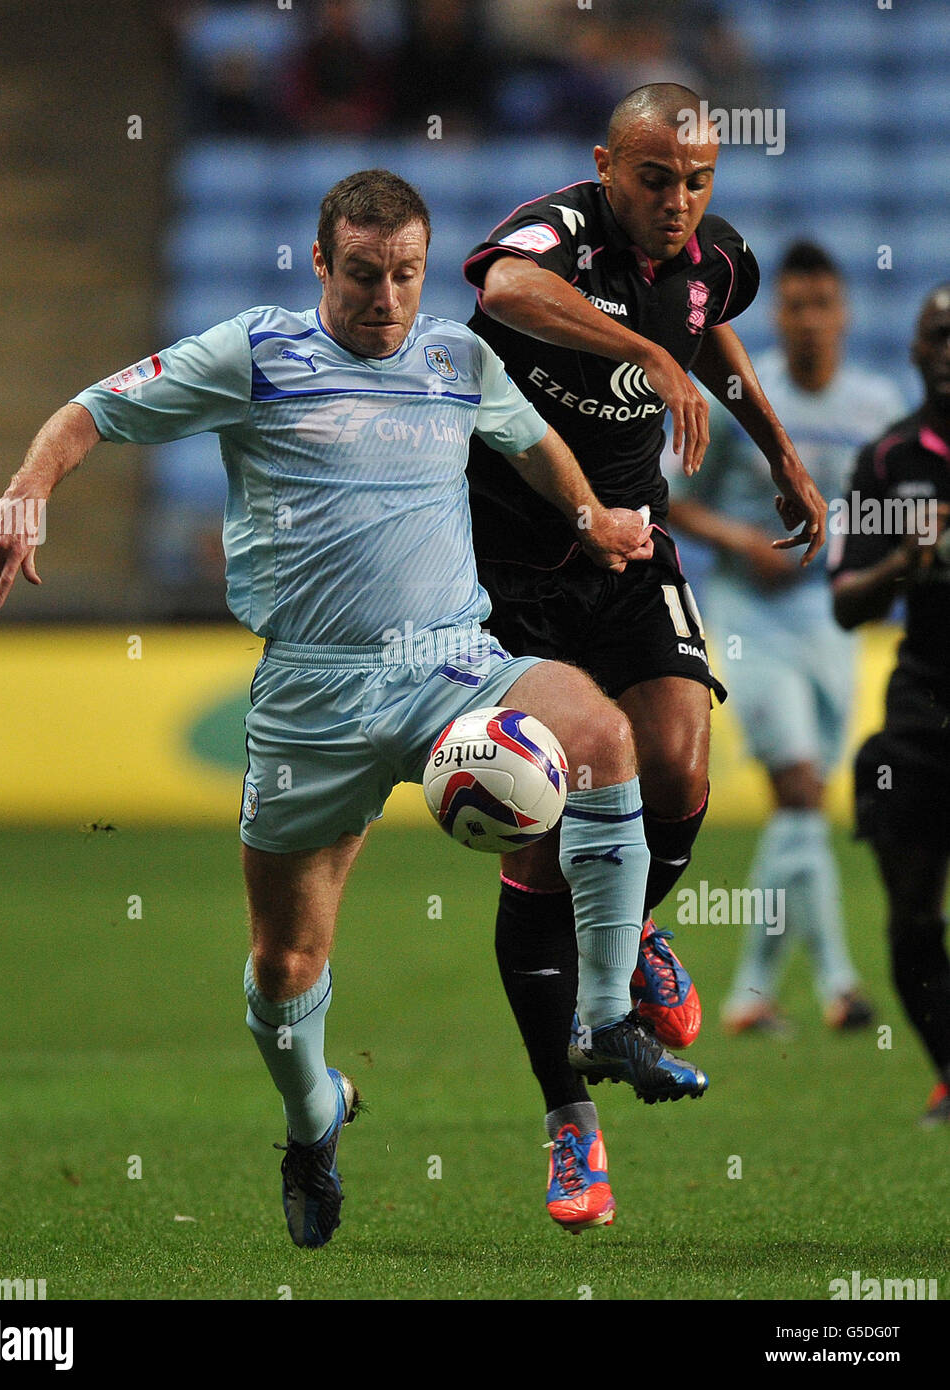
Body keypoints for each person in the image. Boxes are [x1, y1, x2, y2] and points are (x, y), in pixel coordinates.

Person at [0, 169, 709, 1248]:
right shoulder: (256, 354)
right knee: (284, 967)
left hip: (449, 664)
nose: (386, 298)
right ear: (320, 264)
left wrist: (593, 514)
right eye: (363, 274)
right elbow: (94, 411)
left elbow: (524, 439)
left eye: (406, 274)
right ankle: (315, 1115)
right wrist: (27, 487)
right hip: (310, 696)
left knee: (602, 735)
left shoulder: (458, 358)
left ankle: (603, 1018)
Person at [462, 83, 827, 1223]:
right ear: (605, 167)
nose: (678, 204)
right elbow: (504, 288)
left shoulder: (713, 256)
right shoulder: (558, 232)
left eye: (698, 181)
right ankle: (571, 1128)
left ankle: (631, 929)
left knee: (678, 767)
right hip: (508, 572)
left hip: (630, 550)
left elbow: (708, 328)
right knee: (546, 826)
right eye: (655, 178)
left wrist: (777, 449)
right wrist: (646, 358)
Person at [669, 242, 905, 1034]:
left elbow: (889, 512)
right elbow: (671, 499)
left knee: (796, 813)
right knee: (800, 788)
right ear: (777, 315)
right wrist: (737, 542)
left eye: (821, 304)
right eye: (794, 304)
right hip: (747, 616)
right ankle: (840, 984)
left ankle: (749, 997)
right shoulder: (745, 395)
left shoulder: (874, 408)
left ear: (843, 314)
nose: (808, 319)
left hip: (827, 620)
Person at [830, 282, 950, 1127]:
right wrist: (904, 560)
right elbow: (846, 601)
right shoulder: (885, 462)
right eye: (939, 335)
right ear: (914, 351)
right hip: (925, 709)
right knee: (912, 921)